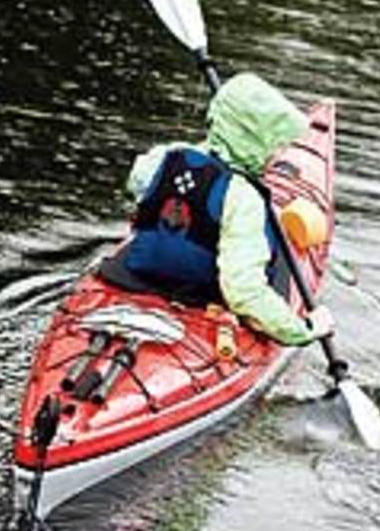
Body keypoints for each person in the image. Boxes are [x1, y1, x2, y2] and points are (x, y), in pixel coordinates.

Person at [100, 71, 334, 346]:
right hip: (201, 297)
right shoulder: (243, 197)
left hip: (135, 276)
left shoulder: (167, 156)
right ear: (256, 140)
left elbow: (137, 183)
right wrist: (303, 329)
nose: (279, 153)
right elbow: (242, 291)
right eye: (276, 144)